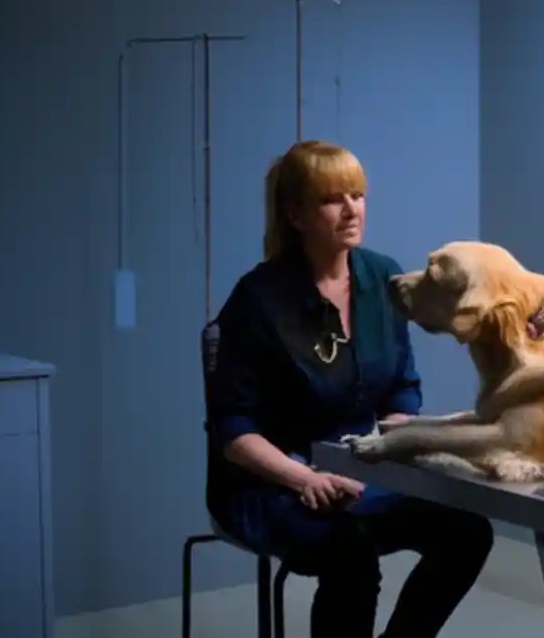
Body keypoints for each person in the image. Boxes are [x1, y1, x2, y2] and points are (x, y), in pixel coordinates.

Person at [205, 140, 494, 638]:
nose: (350, 210)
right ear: (295, 214)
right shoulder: (257, 300)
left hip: (357, 471)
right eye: (331, 199)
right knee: (351, 553)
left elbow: (400, 392)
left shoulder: (382, 277)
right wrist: (304, 478)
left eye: (357, 195)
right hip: (272, 484)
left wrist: (411, 443)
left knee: (467, 531)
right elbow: (234, 433)